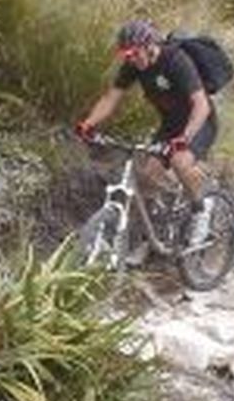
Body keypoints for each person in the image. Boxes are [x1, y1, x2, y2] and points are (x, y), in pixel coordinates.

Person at [75, 19, 220, 245]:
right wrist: (88, 124)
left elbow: (201, 104)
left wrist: (185, 138)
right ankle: (152, 239)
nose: (130, 59)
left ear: (149, 45)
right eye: (125, 55)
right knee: (149, 176)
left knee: (180, 161)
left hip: (200, 122)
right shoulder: (133, 65)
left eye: (133, 53)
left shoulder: (175, 61)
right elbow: (111, 98)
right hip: (171, 124)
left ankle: (201, 208)